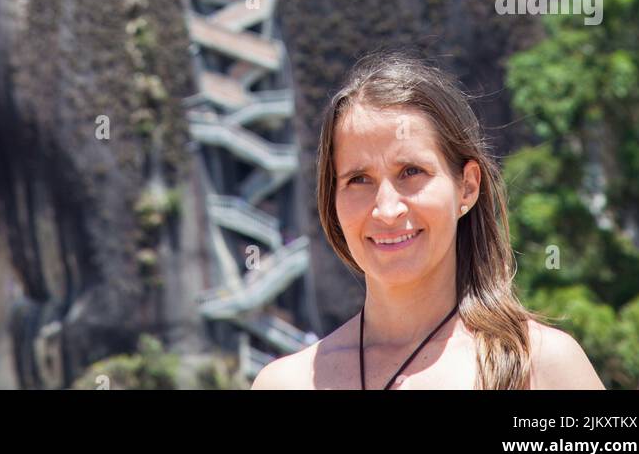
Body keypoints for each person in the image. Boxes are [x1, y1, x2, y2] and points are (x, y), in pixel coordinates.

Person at [251, 51, 606, 391]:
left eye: (411, 172)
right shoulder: (284, 382)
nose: (386, 210)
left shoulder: (540, 368)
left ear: (466, 187)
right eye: (358, 179)